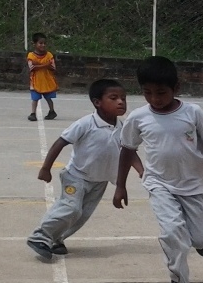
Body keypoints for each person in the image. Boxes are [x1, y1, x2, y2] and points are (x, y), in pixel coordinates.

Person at [113, 56, 203, 283]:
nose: (155, 99)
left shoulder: (194, 113)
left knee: (200, 240)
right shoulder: (138, 117)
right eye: (148, 93)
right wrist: (120, 185)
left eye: (161, 93)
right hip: (159, 183)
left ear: (176, 88)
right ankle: (179, 282)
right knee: (172, 231)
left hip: (194, 184)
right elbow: (127, 149)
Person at [26, 79, 128, 260]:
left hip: (100, 181)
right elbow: (61, 142)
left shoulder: (122, 128)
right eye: (114, 98)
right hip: (76, 176)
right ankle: (39, 237)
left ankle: (58, 238)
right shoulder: (86, 123)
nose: (121, 102)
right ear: (97, 102)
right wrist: (46, 168)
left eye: (123, 98)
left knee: (82, 215)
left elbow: (127, 153)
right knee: (71, 208)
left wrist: (126, 180)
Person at [27, 32, 58, 122]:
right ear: (35, 44)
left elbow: (53, 67)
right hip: (36, 80)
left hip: (47, 80)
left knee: (48, 97)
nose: (43, 45)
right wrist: (45, 65)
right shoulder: (31, 55)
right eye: (40, 43)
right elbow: (32, 68)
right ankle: (33, 114)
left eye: (44, 43)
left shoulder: (49, 55)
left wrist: (39, 65)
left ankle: (52, 111)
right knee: (35, 98)